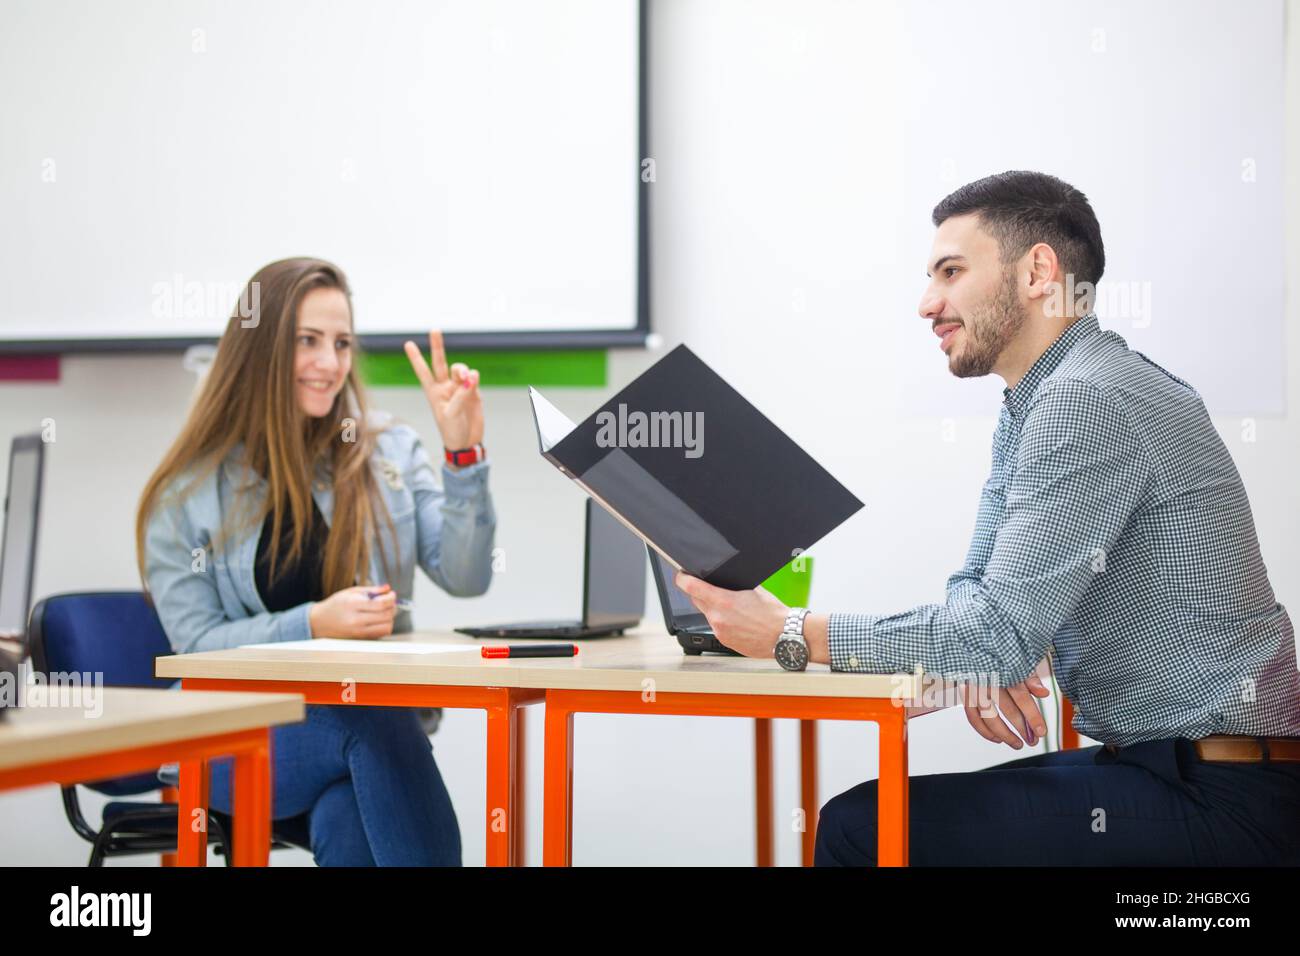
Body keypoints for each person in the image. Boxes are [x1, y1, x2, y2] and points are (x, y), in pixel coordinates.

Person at [674, 171, 1300, 866]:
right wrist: (985, 652)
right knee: (873, 818)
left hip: (1221, 801)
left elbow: (991, 634)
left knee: (861, 829)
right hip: (1180, 773)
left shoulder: (1085, 400)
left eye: (950, 271)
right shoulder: (1038, 401)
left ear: (1037, 271)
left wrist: (788, 633)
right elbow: (978, 595)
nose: (926, 304)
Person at [137, 257, 494, 865]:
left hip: (350, 747)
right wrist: (312, 624)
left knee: (349, 814)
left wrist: (462, 455)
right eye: (307, 341)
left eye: (341, 343)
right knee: (369, 717)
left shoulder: (384, 450)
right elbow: (194, 647)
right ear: (260, 349)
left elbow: (466, 574)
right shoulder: (186, 493)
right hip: (230, 737)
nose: (330, 364)